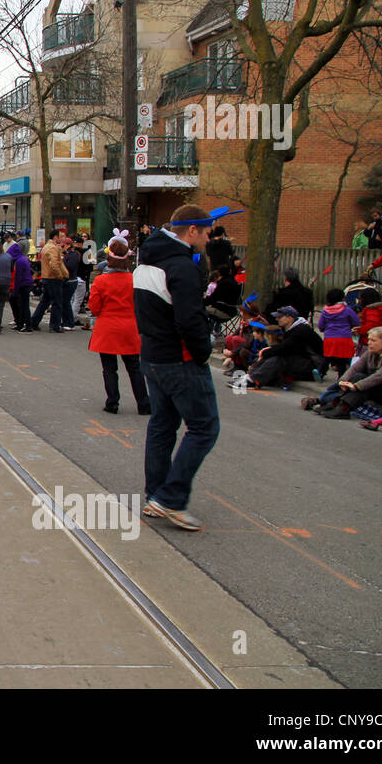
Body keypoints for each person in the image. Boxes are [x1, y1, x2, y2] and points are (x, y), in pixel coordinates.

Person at [133, 204, 224, 531]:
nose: (210, 237)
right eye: (208, 231)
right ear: (193, 231)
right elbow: (190, 319)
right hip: (180, 359)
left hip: (153, 356)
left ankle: (156, 495)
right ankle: (170, 498)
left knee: (162, 425)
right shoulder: (182, 267)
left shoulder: (146, 261)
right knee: (204, 427)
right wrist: (202, 353)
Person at [88, 235, 149, 415]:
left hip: (107, 328)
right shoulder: (134, 280)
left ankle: (113, 402)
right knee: (134, 368)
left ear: (109, 259)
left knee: (109, 368)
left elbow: (94, 307)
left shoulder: (101, 281)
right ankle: (144, 403)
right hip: (129, 327)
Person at [307, 327, 382, 419]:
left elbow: (379, 377)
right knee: (357, 376)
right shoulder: (371, 353)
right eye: (369, 340)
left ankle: (342, 407)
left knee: (366, 384)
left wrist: (357, 386)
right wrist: (343, 381)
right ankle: (338, 404)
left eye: (373, 340)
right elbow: (355, 368)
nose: (369, 343)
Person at [243, 305, 324, 389]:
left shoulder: (301, 330)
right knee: (275, 355)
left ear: (290, 318)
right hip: (303, 361)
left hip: (314, 367)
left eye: (280, 317)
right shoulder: (292, 329)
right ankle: (250, 377)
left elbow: (285, 348)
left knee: (279, 358)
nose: (277, 319)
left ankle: (254, 380)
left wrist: (265, 352)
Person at [30, 229, 69, 334]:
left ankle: (34, 322)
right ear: (56, 237)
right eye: (61, 237)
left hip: (46, 277)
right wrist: (60, 275)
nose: (62, 239)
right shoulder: (53, 248)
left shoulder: (47, 247)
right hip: (53, 278)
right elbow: (54, 264)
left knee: (45, 301)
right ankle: (54, 325)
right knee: (56, 302)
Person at [318, 288, 360, 379]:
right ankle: (341, 376)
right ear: (342, 299)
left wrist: (324, 329)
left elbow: (320, 325)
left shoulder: (325, 311)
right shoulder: (347, 310)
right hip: (344, 338)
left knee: (328, 356)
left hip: (329, 338)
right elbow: (356, 322)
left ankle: (320, 372)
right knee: (342, 359)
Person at [354, 288, 382, 355]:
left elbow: (371, 326)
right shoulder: (379, 309)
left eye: (360, 299)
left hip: (369, 341)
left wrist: (360, 330)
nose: (359, 301)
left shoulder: (372, 311)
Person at [7, 240, 34, 332]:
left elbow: (18, 277)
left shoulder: (19, 261)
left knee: (24, 306)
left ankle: (27, 326)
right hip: (27, 284)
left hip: (24, 285)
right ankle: (22, 324)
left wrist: (15, 291)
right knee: (23, 306)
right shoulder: (23, 259)